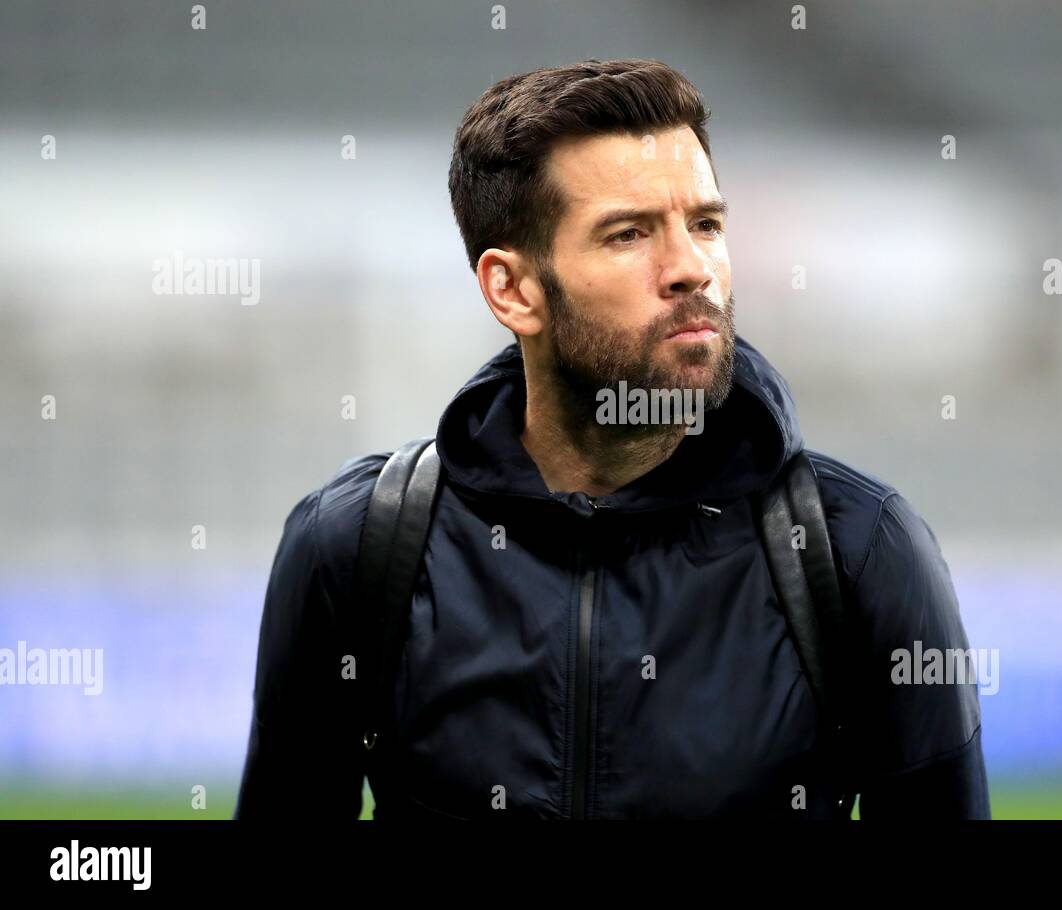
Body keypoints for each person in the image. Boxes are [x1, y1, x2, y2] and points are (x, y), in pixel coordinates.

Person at [234, 58, 990, 820]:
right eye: (629, 235)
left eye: (705, 225)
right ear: (512, 288)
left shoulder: (856, 550)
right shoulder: (358, 546)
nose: (693, 270)